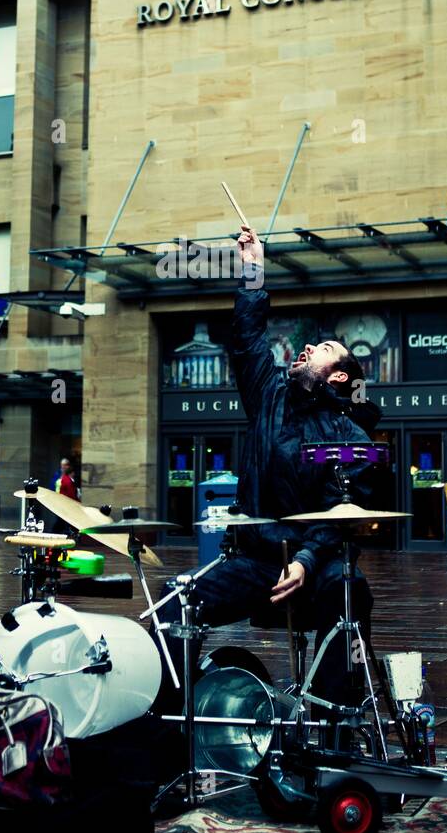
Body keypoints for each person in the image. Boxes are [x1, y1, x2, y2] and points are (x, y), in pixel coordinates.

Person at [154, 225, 380, 713]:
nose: (305, 351)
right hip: (256, 560)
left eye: (319, 350)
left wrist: (306, 561)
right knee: (174, 601)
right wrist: (253, 267)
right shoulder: (268, 398)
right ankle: (173, 713)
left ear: (339, 374)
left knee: (350, 590)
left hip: (313, 564)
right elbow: (247, 336)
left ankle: (326, 718)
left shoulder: (352, 438)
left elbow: (344, 515)